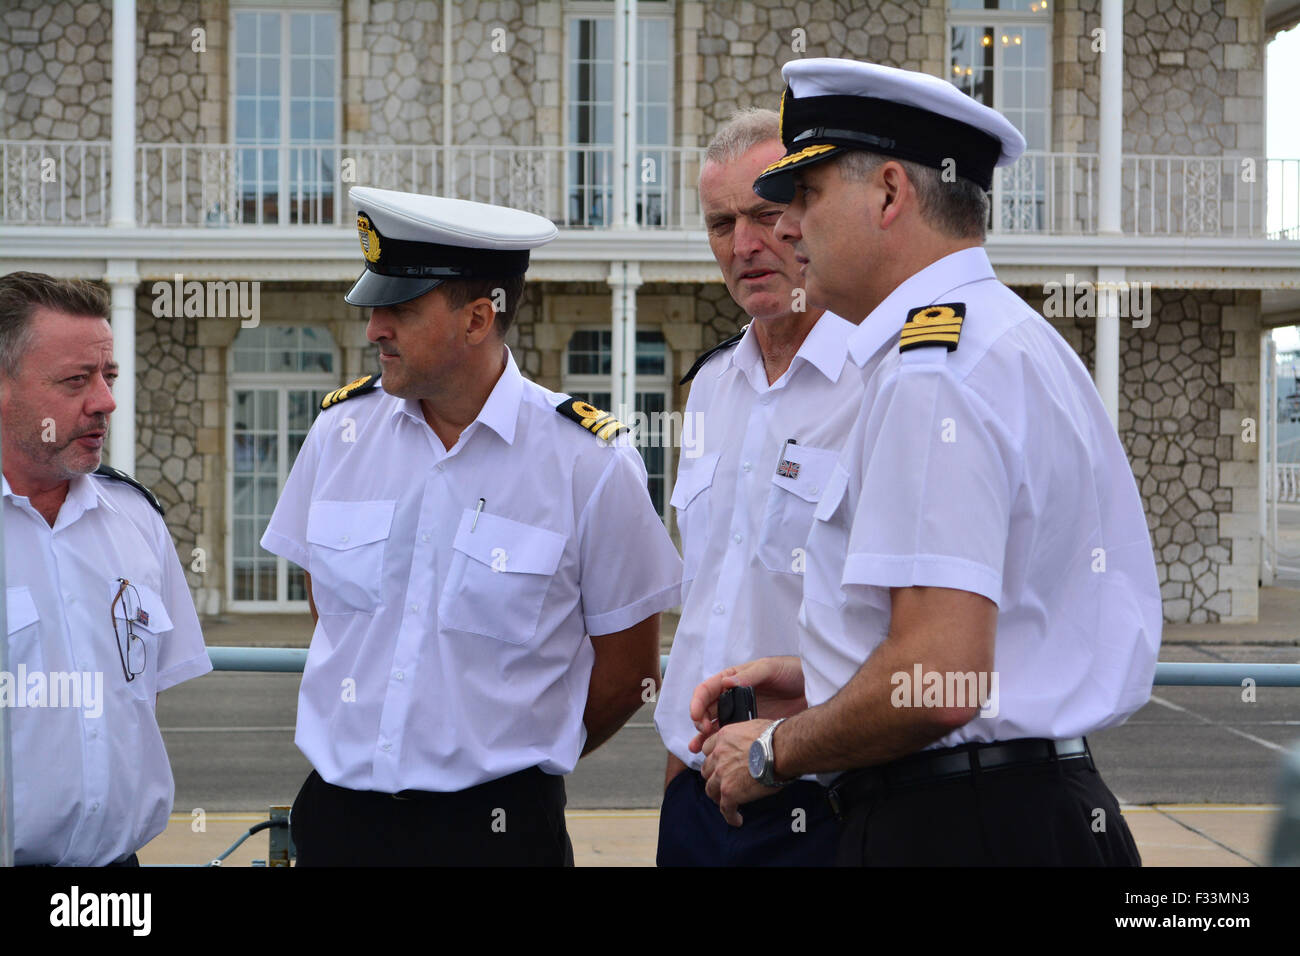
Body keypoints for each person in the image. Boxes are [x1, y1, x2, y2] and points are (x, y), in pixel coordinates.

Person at [692, 59, 1161, 866]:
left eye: (804, 196)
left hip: (955, 823)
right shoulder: (1004, 336)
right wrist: (825, 681)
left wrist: (775, 749)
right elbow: (991, 644)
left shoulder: (930, 369)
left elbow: (941, 678)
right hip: (1017, 809)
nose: (788, 227)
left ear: (887, 194)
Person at [260, 187, 682, 866]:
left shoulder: (588, 462)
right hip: (341, 822)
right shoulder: (338, 434)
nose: (373, 330)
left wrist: (516, 756)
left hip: (496, 833)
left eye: (399, 309)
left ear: (478, 319)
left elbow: (631, 668)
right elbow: (332, 609)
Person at [653, 109, 862, 866]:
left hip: (829, 796)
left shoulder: (883, 380)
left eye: (766, 216)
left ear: (809, 215)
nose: (743, 246)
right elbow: (710, 603)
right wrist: (681, 769)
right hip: (701, 794)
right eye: (720, 224)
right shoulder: (711, 387)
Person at [0, 271, 211, 866]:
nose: (105, 401)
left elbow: (141, 698)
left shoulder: (136, 519)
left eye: (108, 376)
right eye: (75, 381)